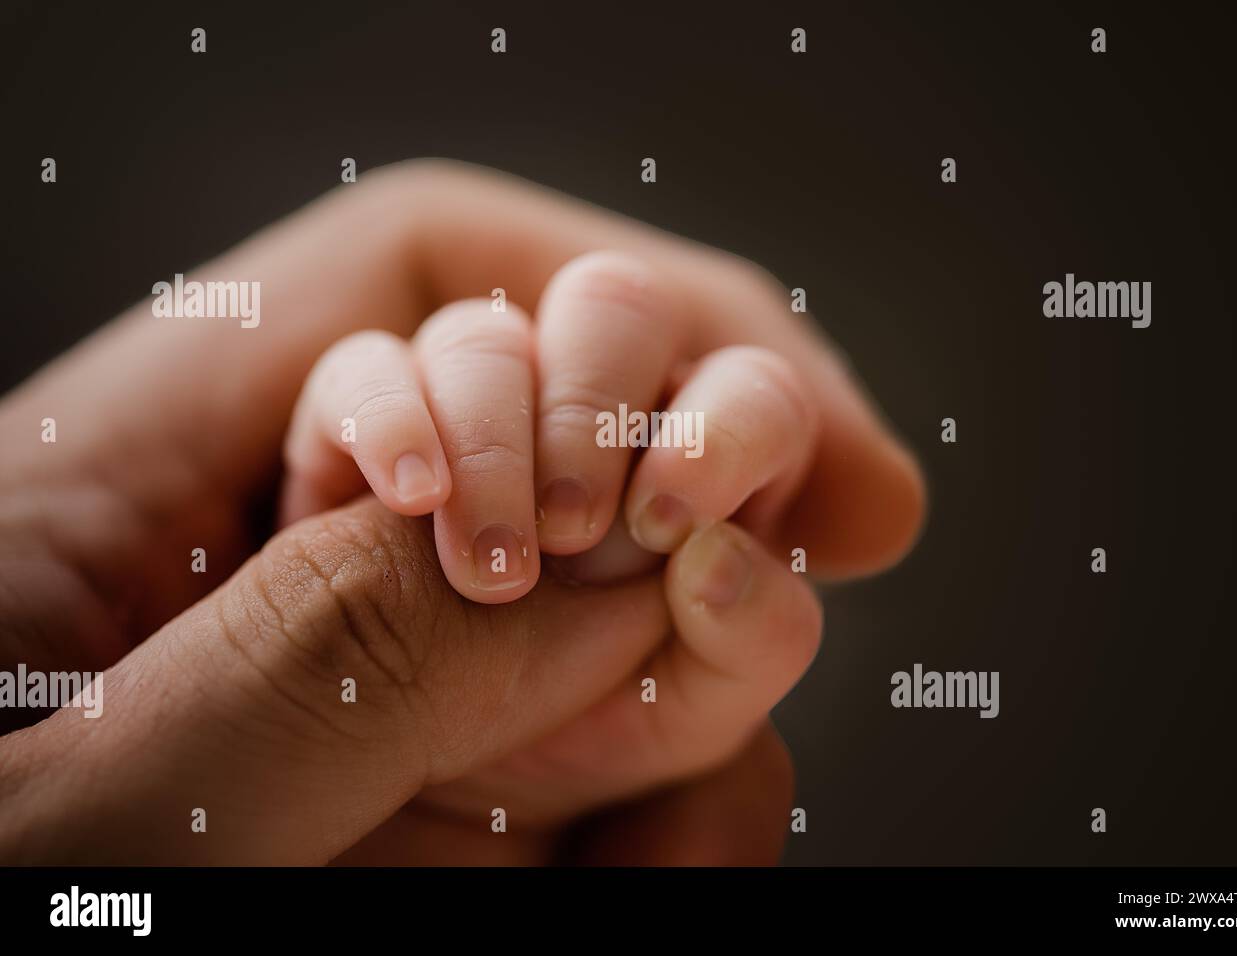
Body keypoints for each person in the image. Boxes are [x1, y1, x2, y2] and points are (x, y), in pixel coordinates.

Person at [0, 160, 924, 864]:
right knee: (486, 366)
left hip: (480, 762)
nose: (558, 523)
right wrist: (382, 450)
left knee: (607, 339)